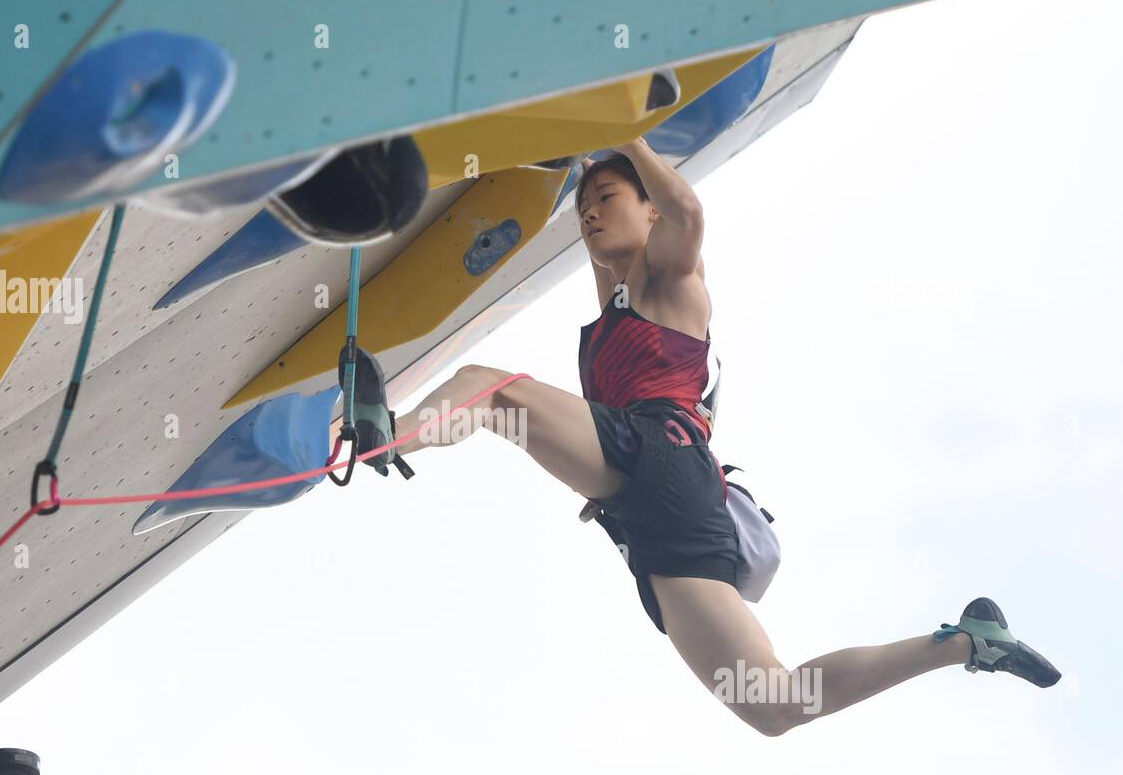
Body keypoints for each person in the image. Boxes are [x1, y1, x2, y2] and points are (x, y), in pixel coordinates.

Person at [390, 138, 1060, 736]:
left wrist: (620, 130)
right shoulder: (620, 307)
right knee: (775, 704)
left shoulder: (675, 281)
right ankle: (968, 645)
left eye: (605, 199)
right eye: (582, 205)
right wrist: (583, 161)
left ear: (651, 211)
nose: (588, 213)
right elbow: (610, 258)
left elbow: (689, 215)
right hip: (662, 510)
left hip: (660, 468)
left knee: (489, 388)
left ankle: (377, 440)